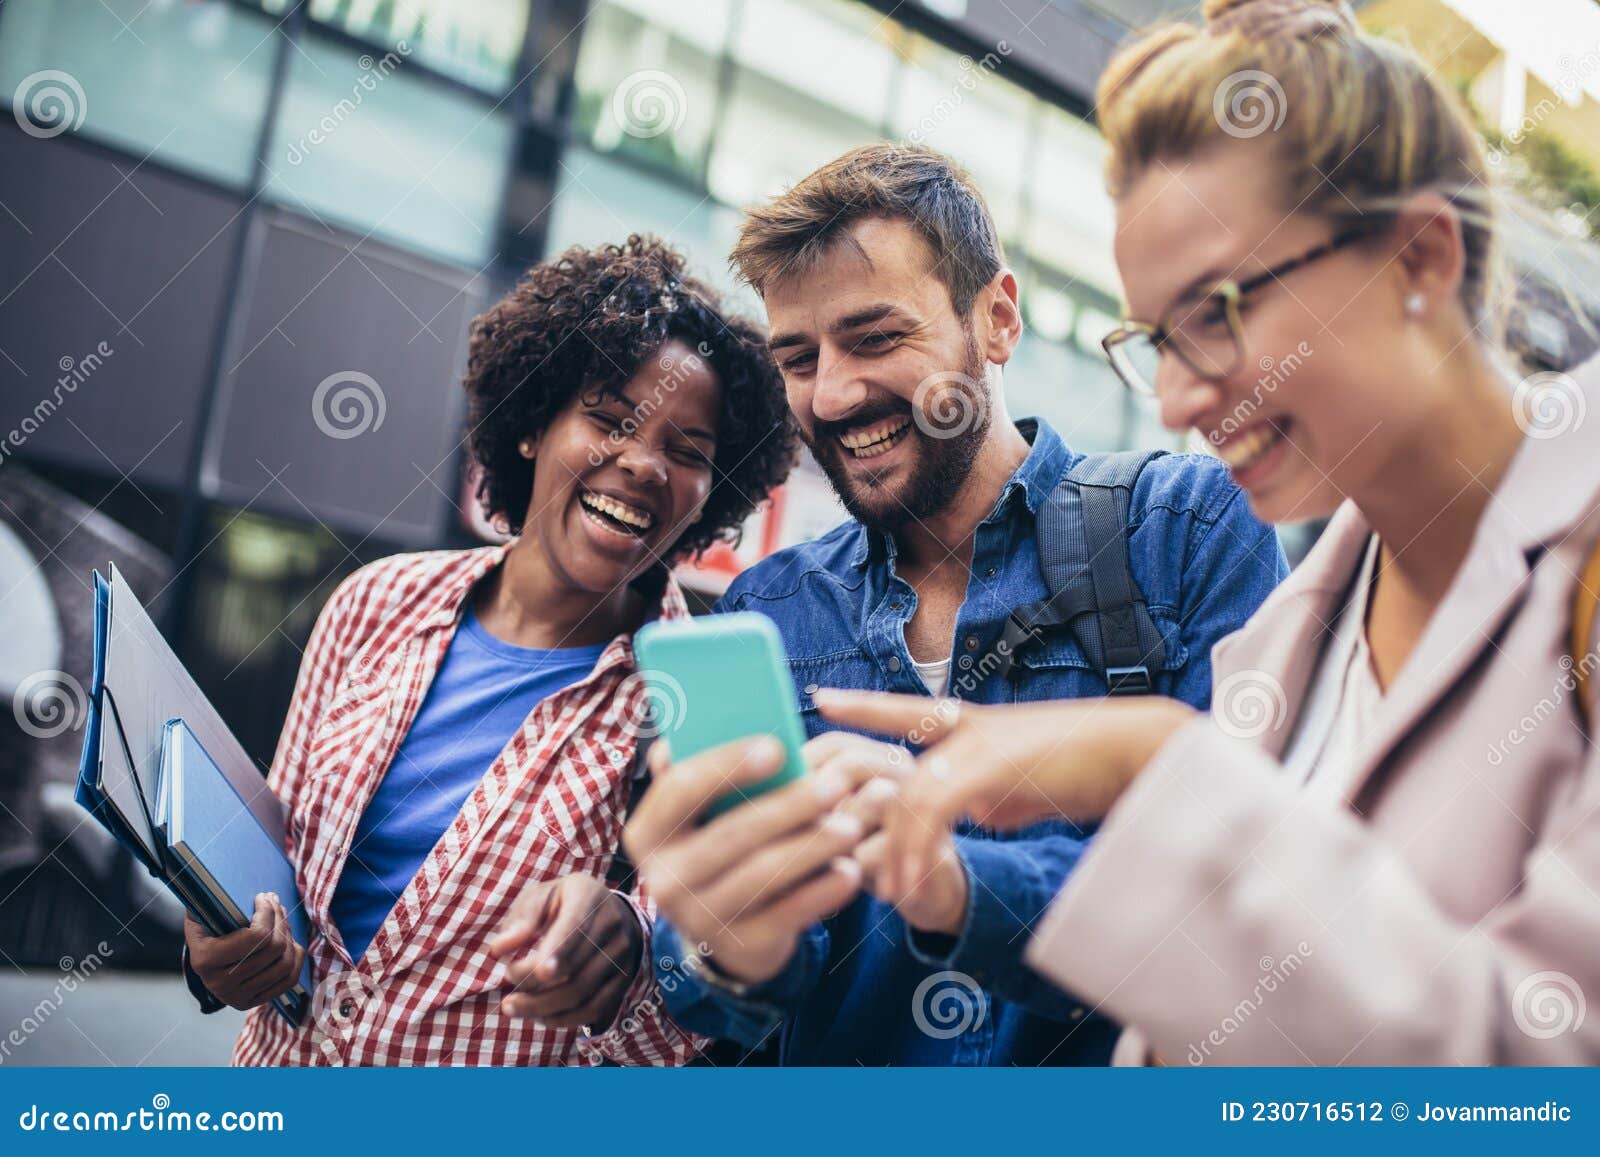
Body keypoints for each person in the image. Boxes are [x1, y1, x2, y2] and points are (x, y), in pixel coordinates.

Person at [817, 0, 1600, 1065]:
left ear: (1419, 257)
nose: (1178, 399)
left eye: (1218, 310)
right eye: (1154, 339)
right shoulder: (1287, 633)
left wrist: (1160, 765)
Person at [622, 144, 1288, 1065]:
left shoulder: (1181, 530)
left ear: (998, 318)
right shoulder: (768, 610)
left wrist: (955, 883)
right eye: (799, 358)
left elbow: (1250, 890)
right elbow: (724, 999)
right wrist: (726, 943)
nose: (836, 394)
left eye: (876, 337)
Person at [181, 236, 795, 1065]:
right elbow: (272, 866)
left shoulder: (702, 699)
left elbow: (708, 1007)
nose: (645, 464)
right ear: (534, 425)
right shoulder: (376, 603)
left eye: (688, 453)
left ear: (711, 495)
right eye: (611, 419)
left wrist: (628, 968)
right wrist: (216, 948)